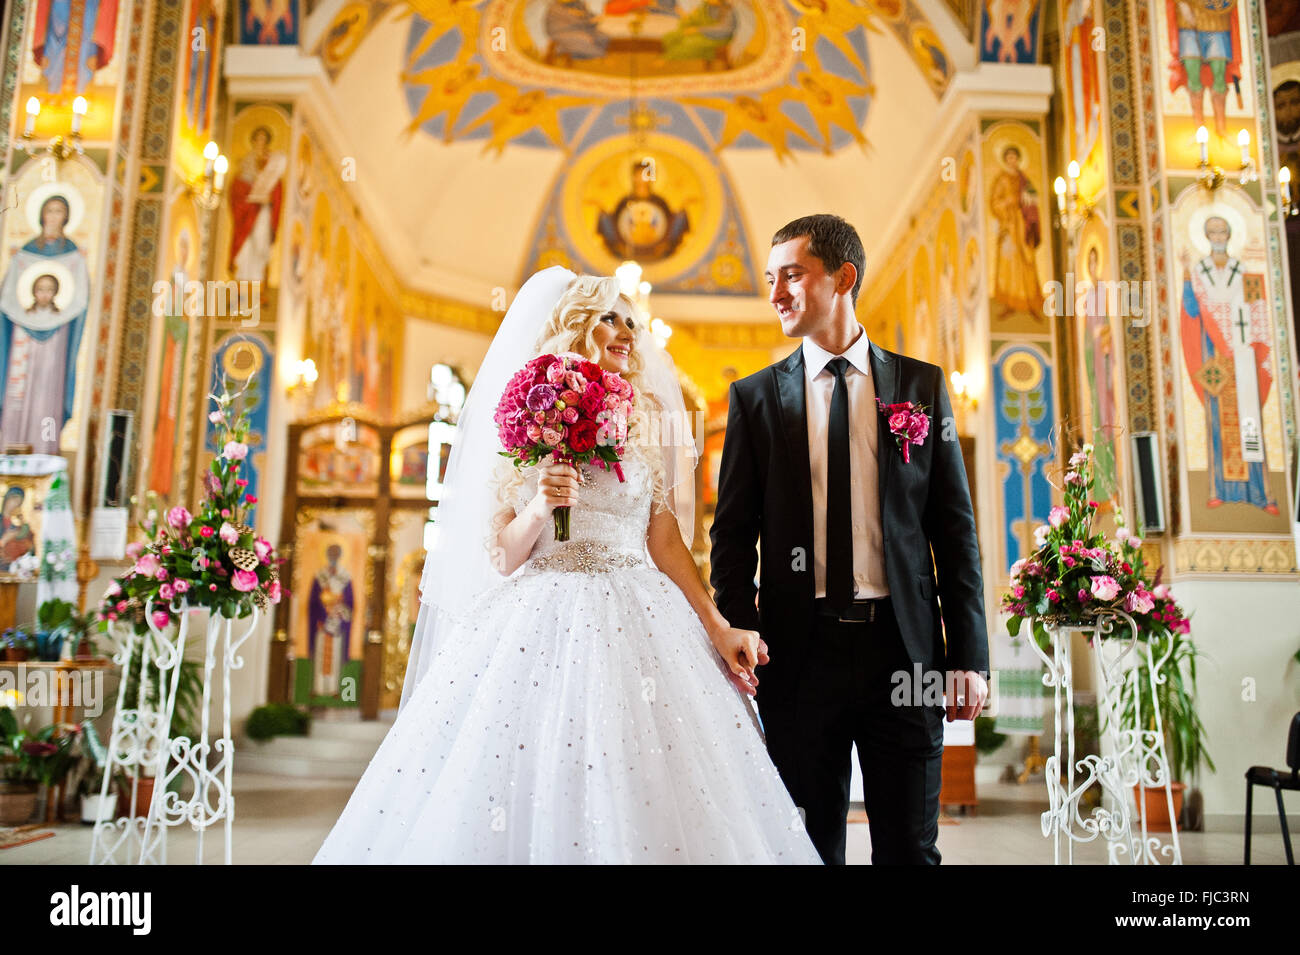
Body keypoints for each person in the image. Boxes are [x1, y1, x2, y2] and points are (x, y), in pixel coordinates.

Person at [313, 267, 821, 864]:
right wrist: (539, 504)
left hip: (643, 612)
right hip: (538, 615)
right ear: (575, 326)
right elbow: (504, 556)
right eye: (610, 317)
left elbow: (664, 538)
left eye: (631, 321)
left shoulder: (641, 419)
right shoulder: (527, 415)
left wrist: (716, 625)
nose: (626, 332)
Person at [710, 214, 990, 865]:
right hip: (798, 657)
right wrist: (744, 633)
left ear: (843, 278)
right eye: (770, 278)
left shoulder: (920, 388)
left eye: (792, 275)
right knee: (806, 845)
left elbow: (955, 532)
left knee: (911, 847)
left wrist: (968, 656)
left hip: (904, 648)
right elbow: (731, 539)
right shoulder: (753, 400)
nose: (776, 292)